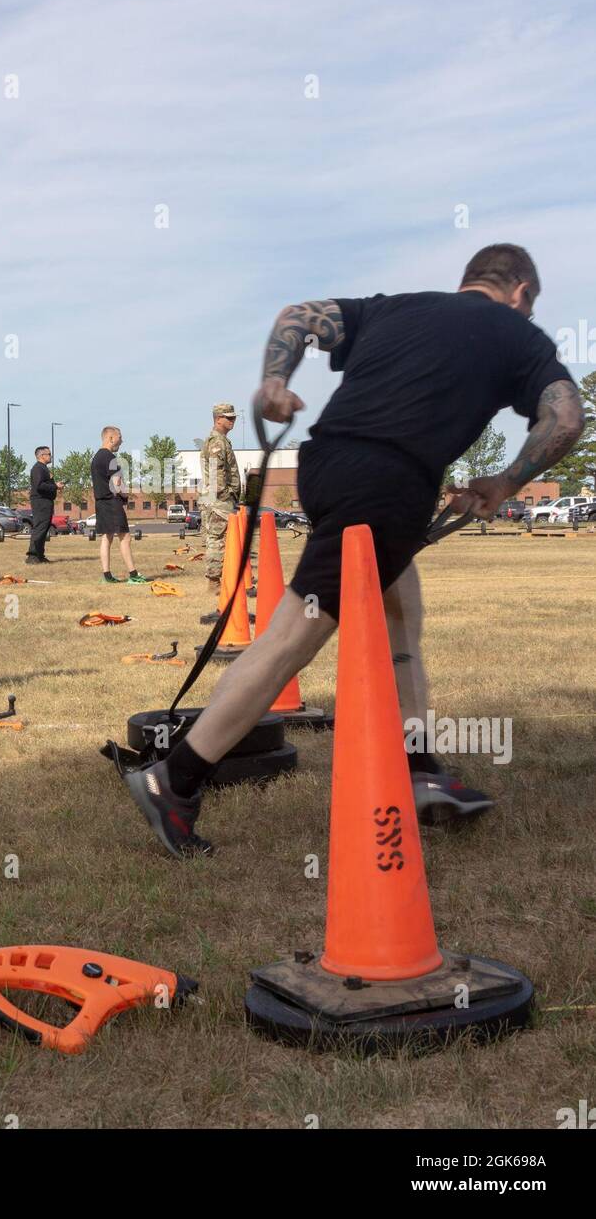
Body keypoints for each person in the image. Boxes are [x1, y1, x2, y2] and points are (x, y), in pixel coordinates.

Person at [125, 244, 584, 856]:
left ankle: (417, 765)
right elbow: (566, 419)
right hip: (386, 483)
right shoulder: (518, 335)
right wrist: (505, 482)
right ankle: (172, 780)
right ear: (522, 291)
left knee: (400, 616)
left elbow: (300, 316)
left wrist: (274, 384)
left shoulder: (397, 306)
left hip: (328, 465)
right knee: (293, 636)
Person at [90, 426, 148, 584]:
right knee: (125, 537)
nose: (121, 441)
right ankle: (133, 574)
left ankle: (107, 576)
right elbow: (116, 484)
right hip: (112, 502)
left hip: (101, 502)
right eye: (119, 437)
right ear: (110, 438)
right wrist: (125, 493)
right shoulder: (110, 458)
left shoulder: (96, 458)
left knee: (106, 537)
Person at [199, 403, 241, 594]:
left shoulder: (221, 440)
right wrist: (226, 494)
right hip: (219, 500)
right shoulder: (216, 442)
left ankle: (226, 578)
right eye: (229, 417)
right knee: (217, 540)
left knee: (226, 539)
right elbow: (217, 473)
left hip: (220, 499)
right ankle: (214, 582)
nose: (233, 420)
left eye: (234, 417)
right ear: (218, 419)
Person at [26, 446, 62, 564]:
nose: (51, 456)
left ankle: (40, 555)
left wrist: (55, 485)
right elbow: (39, 486)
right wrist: (55, 486)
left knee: (44, 528)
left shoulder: (43, 468)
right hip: (41, 502)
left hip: (46, 501)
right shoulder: (38, 469)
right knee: (40, 528)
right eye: (49, 454)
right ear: (42, 456)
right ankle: (32, 556)